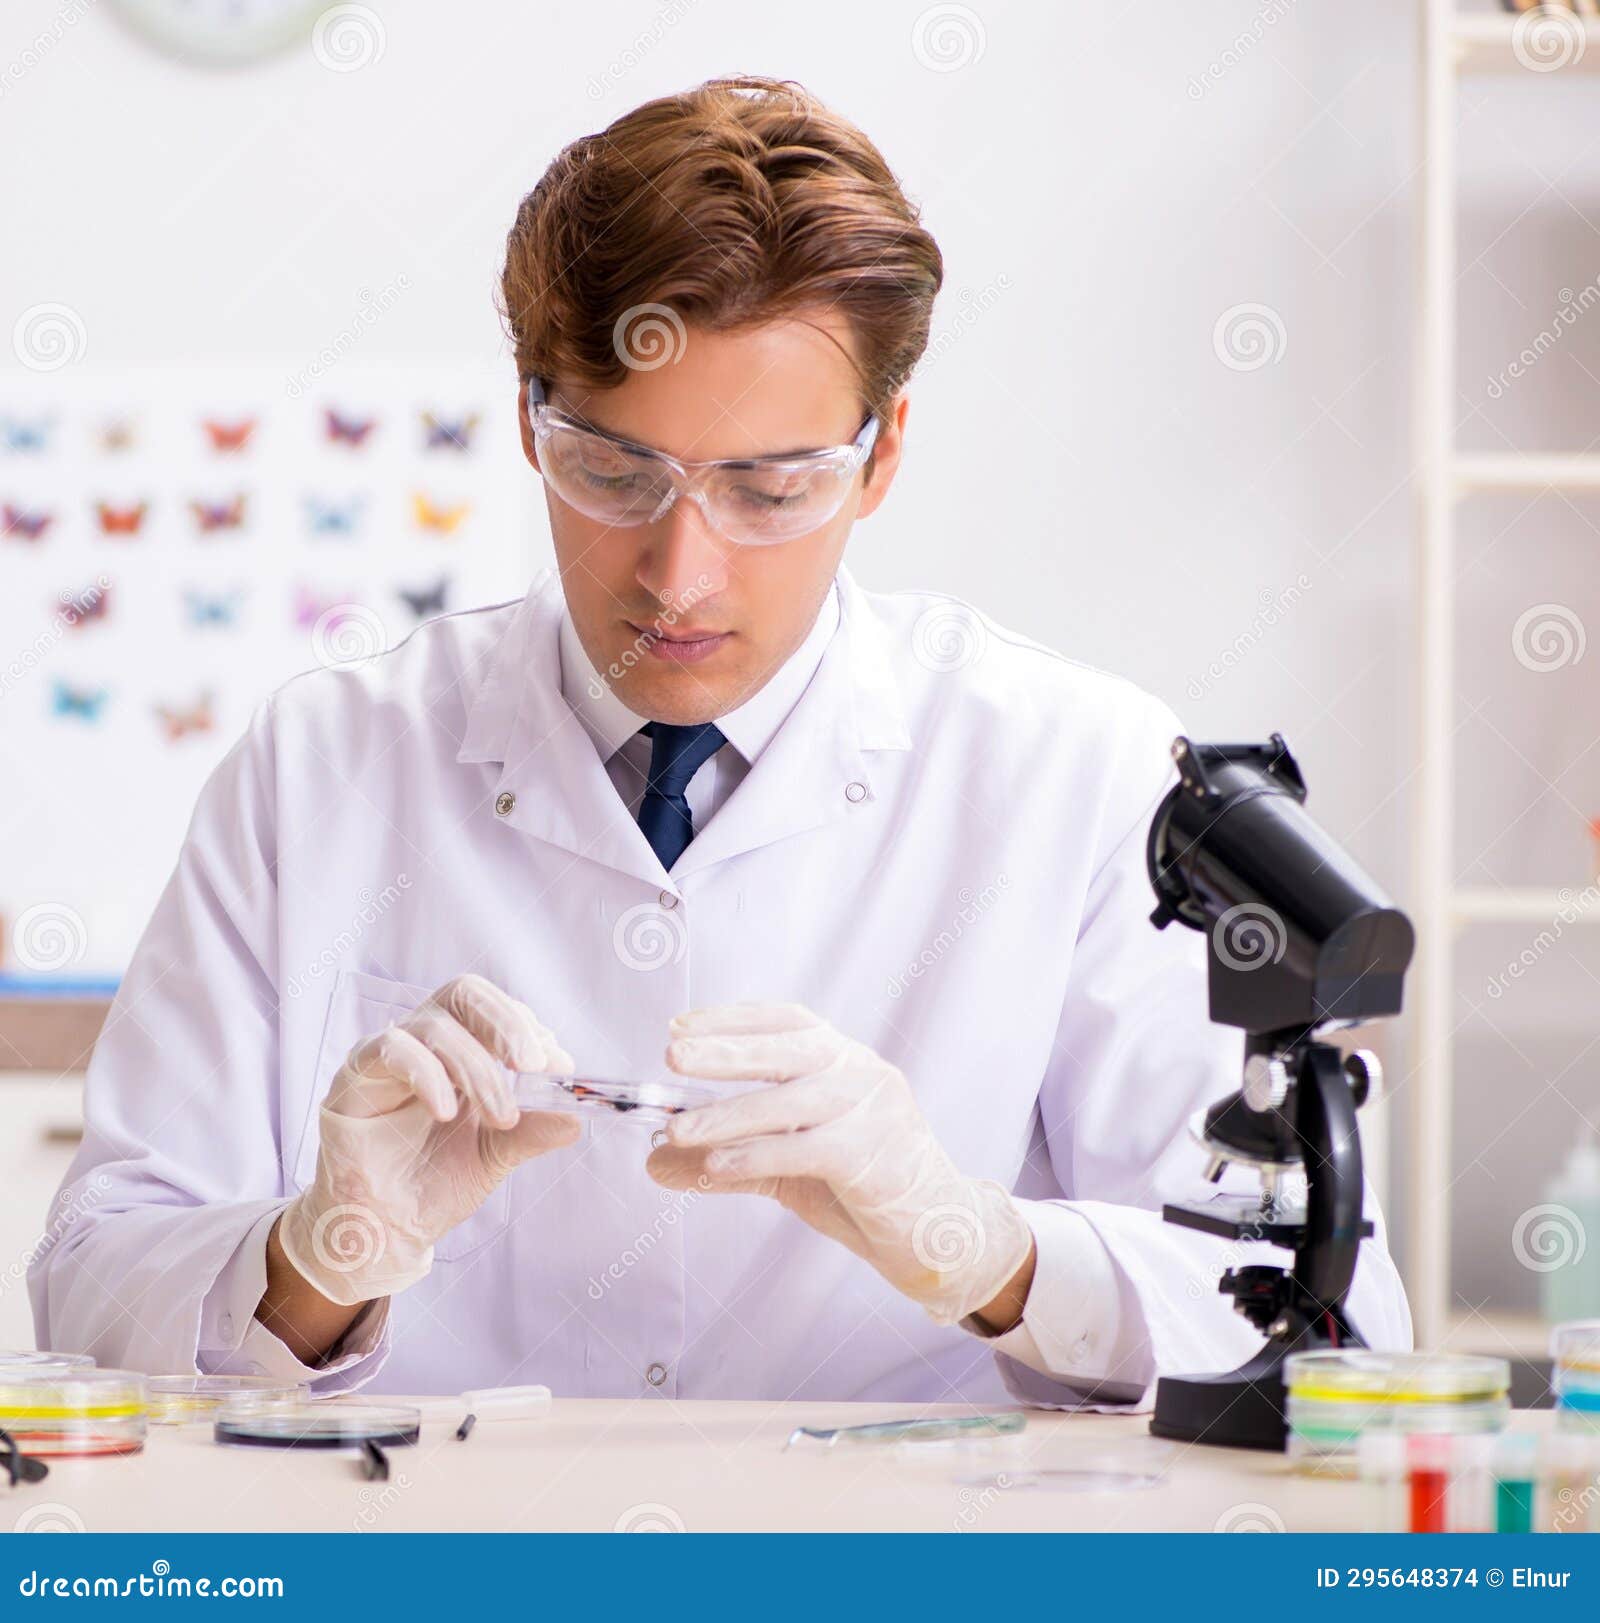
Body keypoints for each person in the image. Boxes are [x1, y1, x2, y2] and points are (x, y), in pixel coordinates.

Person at [31, 76, 1410, 1407]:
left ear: (881, 457)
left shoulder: (1079, 769)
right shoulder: (321, 765)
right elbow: (91, 1284)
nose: (680, 573)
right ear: (530, 424)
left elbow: (1340, 1337)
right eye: (616, 472)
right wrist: (321, 1254)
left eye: (770, 487)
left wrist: (983, 1251)